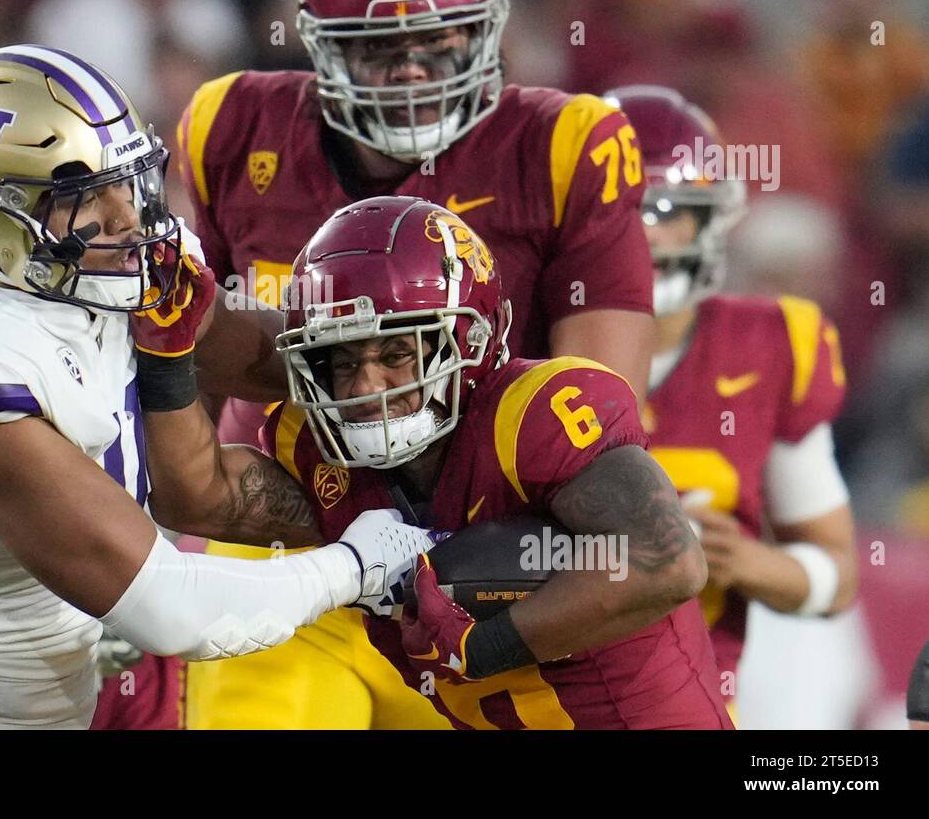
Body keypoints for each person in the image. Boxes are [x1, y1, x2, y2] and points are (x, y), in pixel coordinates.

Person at [0, 45, 436, 730]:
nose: (127, 217)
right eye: (84, 198)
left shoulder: (112, 270)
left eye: (125, 180)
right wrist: (354, 566)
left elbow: (265, 361)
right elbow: (174, 612)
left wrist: (416, 398)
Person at [178, 0, 655, 729]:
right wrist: (180, 542)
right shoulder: (229, 127)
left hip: (476, 560)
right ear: (321, 46)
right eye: (380, 48)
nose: (411, 72)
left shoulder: (564, 145)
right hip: (296, 541)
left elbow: (600, 409)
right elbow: (196, 364)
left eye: (438, 44)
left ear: (484, 32)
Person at [144, 195, 730, 729]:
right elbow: (193, 494)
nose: (367, 384)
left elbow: (667, 560)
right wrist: (167, 359)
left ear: (469, 342)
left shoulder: (536, 413)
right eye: (341, 361)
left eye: (397, 352)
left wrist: (482, 647)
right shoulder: (327, 454)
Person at [603, 84, 858, 700]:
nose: (649, 235)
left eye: (670, 211)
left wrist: (743, 562)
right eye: (627, 208)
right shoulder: (519, 334)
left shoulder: (772, 344)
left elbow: (839, 577)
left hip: (693, 700)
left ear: (711, 216)